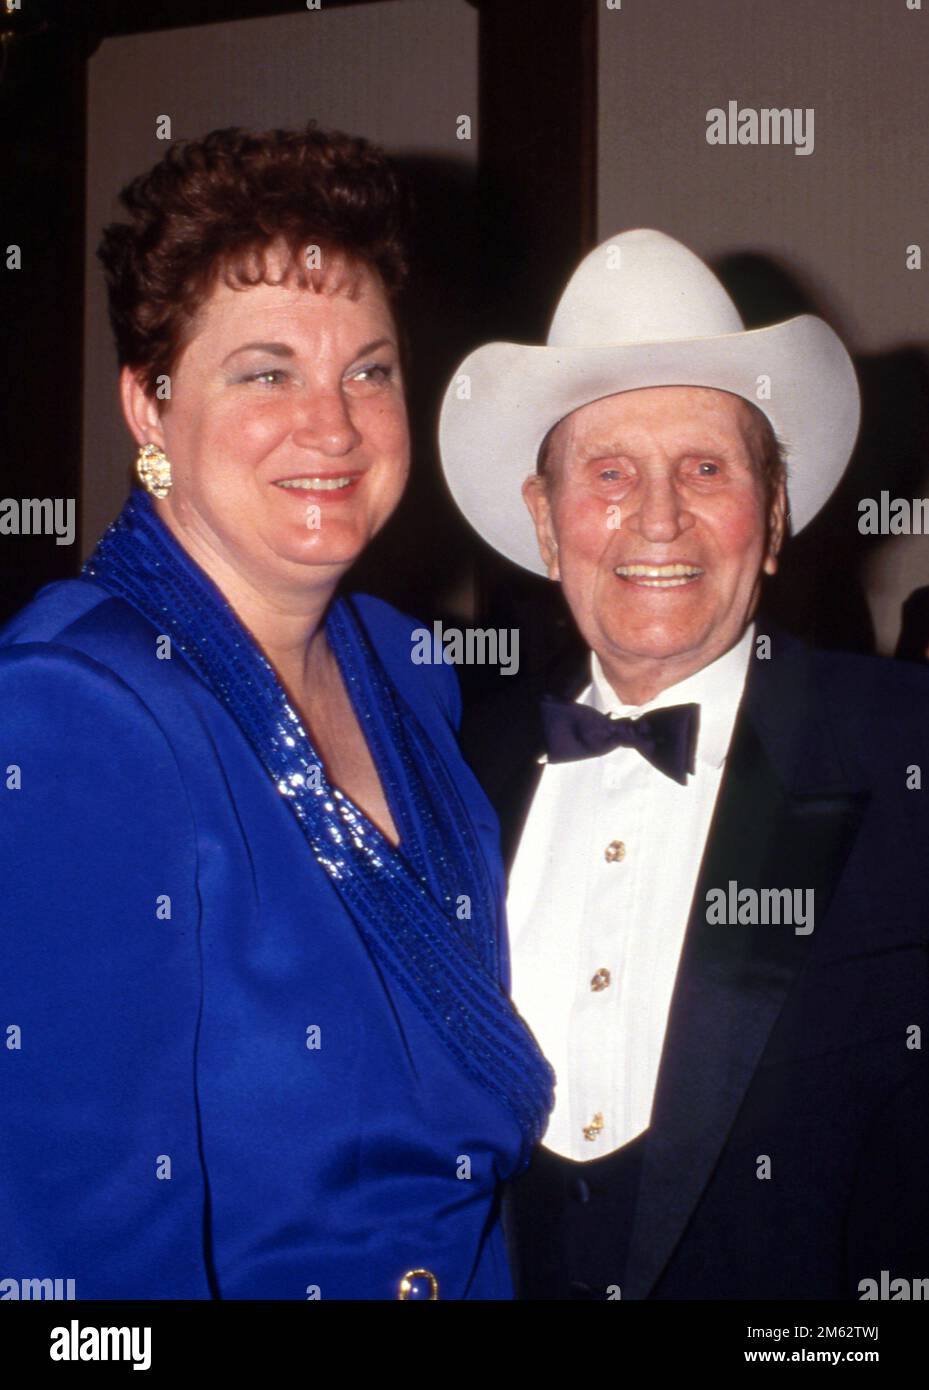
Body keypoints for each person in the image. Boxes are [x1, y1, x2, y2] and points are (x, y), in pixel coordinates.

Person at [0, 123, 553, 1301]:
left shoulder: (406, 667)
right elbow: (70, 1278)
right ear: (149, 411)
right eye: (266, 372)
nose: (334, 425)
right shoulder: (71, 714)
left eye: (368, 367)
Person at [439, 228, 929, 1300]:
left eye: (704, 468)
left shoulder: (905, 748)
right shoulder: (444, 773)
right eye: (608, 472)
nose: (656, 515)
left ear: (773, 517)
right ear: (544, 521)